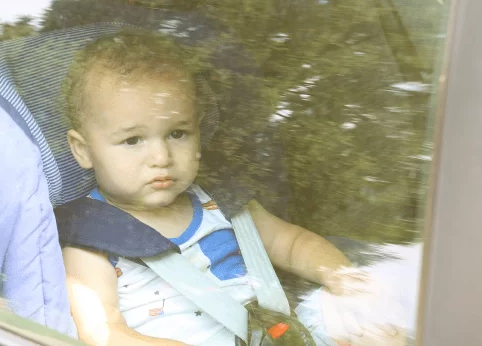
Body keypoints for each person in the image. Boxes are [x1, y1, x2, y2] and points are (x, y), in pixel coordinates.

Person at [57, 29, 397, 346]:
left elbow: (293, 244)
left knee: (374, 325)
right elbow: (103, 331)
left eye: (177, 133)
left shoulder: (219, 202)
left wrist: (343, 279)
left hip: (273, 331)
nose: (161, 156)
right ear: (84, 150)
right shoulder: (90, 237)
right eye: (132, 140)